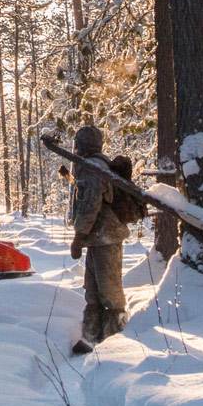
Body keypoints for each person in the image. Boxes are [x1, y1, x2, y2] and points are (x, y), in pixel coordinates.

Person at [66, 125, 128, 355]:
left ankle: (113, 345)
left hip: (106, 236)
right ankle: (91, 336)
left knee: (110, 292)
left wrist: (79, 236)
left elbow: (89, 205)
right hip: (98, 237)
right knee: (92, 290)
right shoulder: (95, 165)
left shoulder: (94, 168)